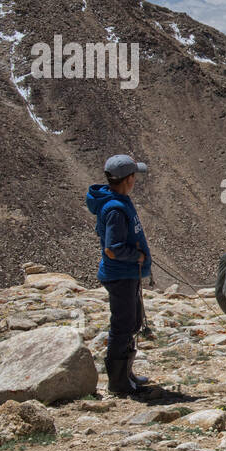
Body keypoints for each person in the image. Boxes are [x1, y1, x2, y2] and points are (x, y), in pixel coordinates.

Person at [85, 155, 153, 395]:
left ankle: (126, 374)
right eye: (134, 176)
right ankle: (118, 382)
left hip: (126, 274)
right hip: (121, 274)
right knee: (123, 325)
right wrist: (138, 257)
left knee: (132, 321)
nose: (136, 180)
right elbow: (112, 249)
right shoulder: (115, 208)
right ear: (128, 178)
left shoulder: (119, 200)